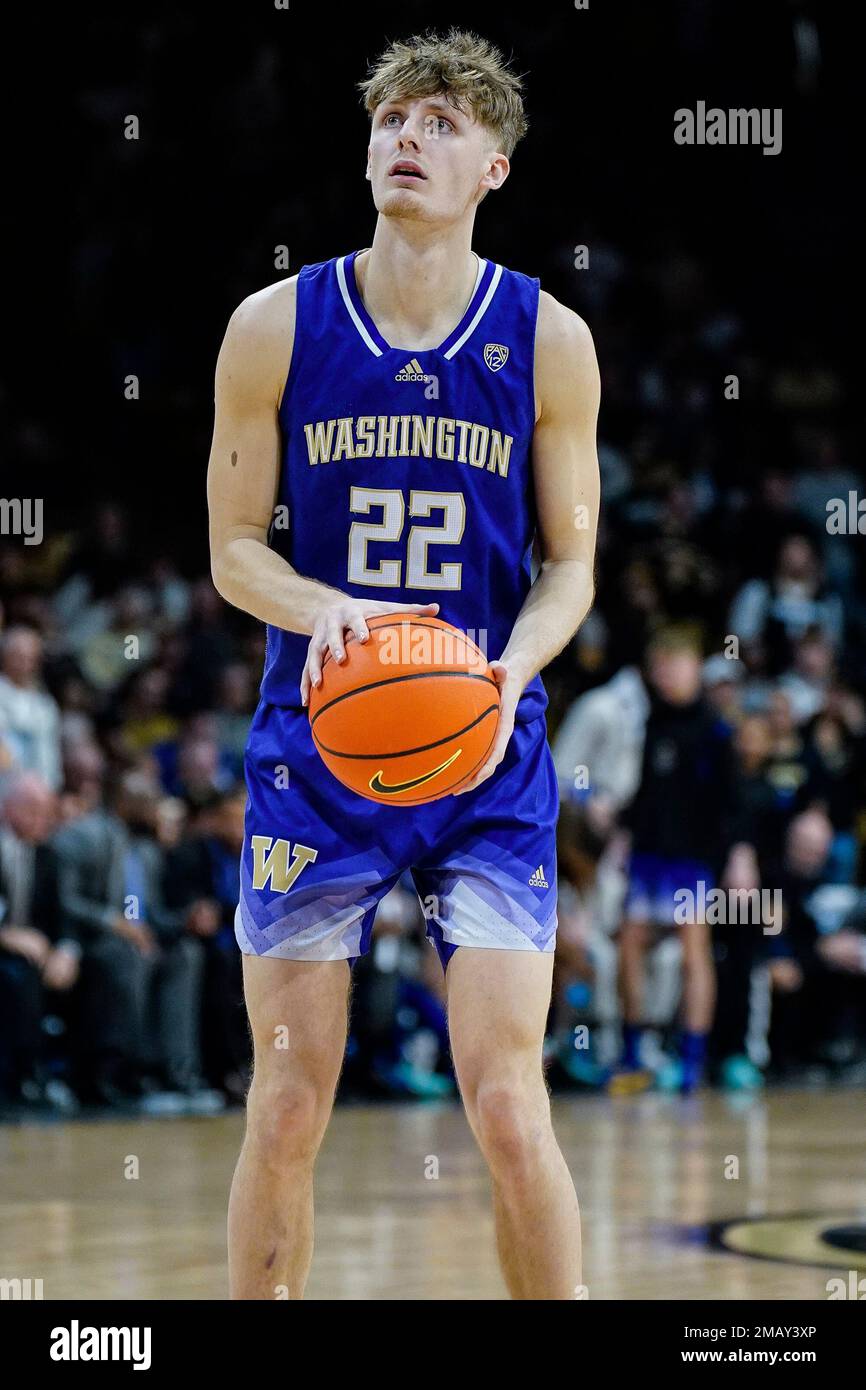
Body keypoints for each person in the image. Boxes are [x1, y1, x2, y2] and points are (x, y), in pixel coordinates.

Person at [207, 28, 600, 1300]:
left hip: (482, 746)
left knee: (500, 1098)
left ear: (494, 165)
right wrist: (318, 604)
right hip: (318, 746)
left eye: (440, 124)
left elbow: (571, 566)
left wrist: (506, 673)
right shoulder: (274, 326)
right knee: (285, 1102)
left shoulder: (547, 341)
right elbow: (226, 549)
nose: (406, 140)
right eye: (392, 120)